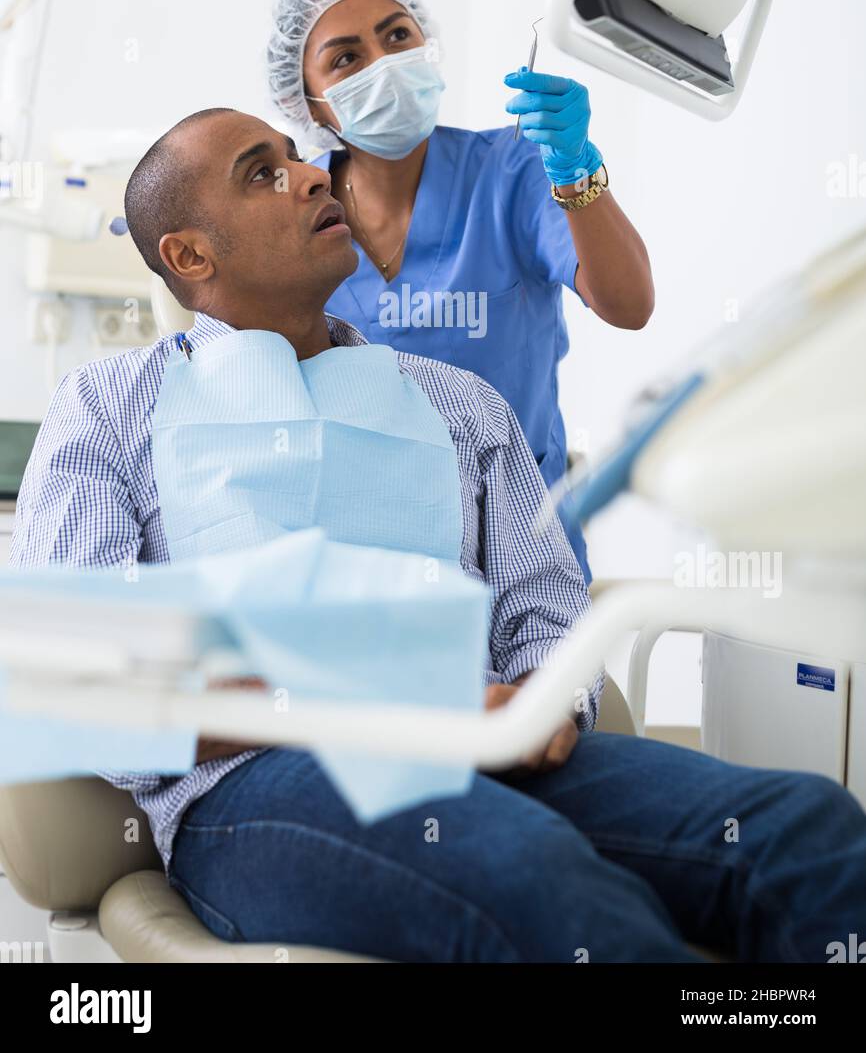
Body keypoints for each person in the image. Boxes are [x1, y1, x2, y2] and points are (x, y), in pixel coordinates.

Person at [10, 108, 866, 964]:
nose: (312, 174)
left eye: (298, 158)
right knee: (539, 878)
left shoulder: (458, 403)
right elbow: (97, 678)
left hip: (495, 749)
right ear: (190, 256)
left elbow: (546, 604)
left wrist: (544, 703)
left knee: (806, 829)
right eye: (261, 174)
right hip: (264, 785)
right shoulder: (109, 408)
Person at [266, 0, 656, 586]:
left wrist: (575, 168)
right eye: (346, 59)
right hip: (359, 561)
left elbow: (629, 305)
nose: (383, 65)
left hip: (525, 558)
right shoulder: (297, 211)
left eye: (397, 36)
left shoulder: (514, 170)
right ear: (305, 102)